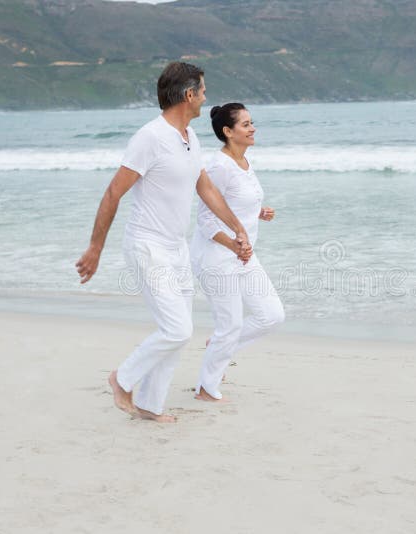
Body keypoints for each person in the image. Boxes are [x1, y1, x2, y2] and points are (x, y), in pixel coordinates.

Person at [75, 63, 251, 423]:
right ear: (189, 95)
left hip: (176, 248)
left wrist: (237, 227)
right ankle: (122, 379)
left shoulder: (190, 137)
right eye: (202, 91)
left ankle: (150, 405)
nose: (205, 97)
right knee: (177, 329)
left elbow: (205, 187)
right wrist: (95, 248)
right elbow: (113, 192)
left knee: (179, 333)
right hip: (147, 246)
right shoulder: (150, 138)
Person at [190, 103, 285, 402]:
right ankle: (206, 388)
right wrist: (233, 244)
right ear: (228, 132)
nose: (253, 128)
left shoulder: (243, 161)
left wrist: (257, 212)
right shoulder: (219, 167)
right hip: (216, 256)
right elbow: (205, 219)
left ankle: (218, 347)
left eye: (251, 122)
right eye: (245, 124)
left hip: (243, 254)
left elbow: (232, 204)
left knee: (272, 315)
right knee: (229, 325)